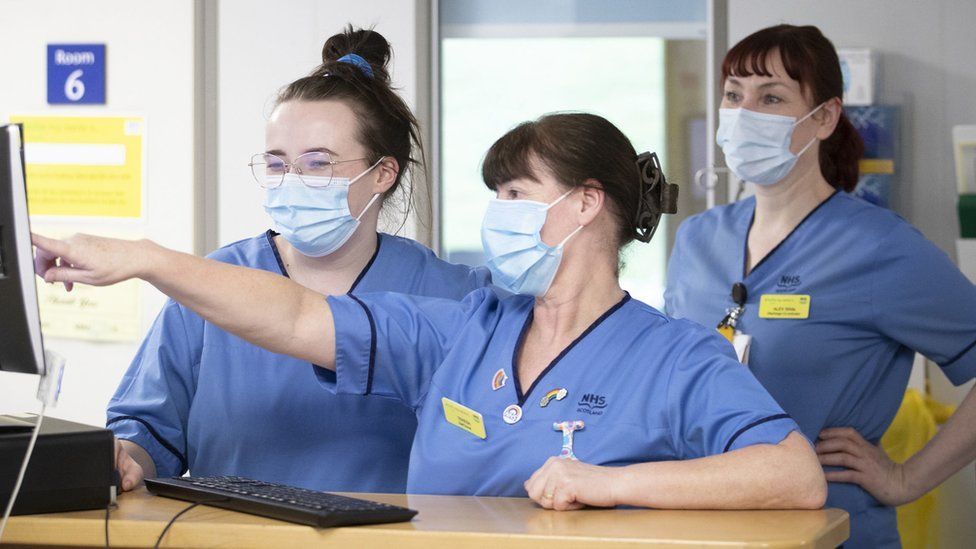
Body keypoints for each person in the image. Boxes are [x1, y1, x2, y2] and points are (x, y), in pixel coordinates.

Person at [33, 112, 827, 511]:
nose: (498, 213)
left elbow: (793, 473)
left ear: (587, 205)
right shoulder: (463, 325)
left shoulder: (673, 355)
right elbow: (295, 317)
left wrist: (615, 482)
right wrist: (146, 257)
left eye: (516, 194)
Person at [105, 26, 491, 494]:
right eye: (276, 163)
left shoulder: (452, 294)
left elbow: (494, 441)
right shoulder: (213, 285)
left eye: (317, 163)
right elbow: (147, 434)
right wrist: (124, 459)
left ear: (383, 174)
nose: (290, 181)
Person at [664, 24, 976, 547]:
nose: (744, 115)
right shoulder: (697, 240)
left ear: (825, 117)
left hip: (831, 531)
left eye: (771, 97)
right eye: (733, 96)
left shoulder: (879, 248)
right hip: (702, 528)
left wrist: (907, 479)